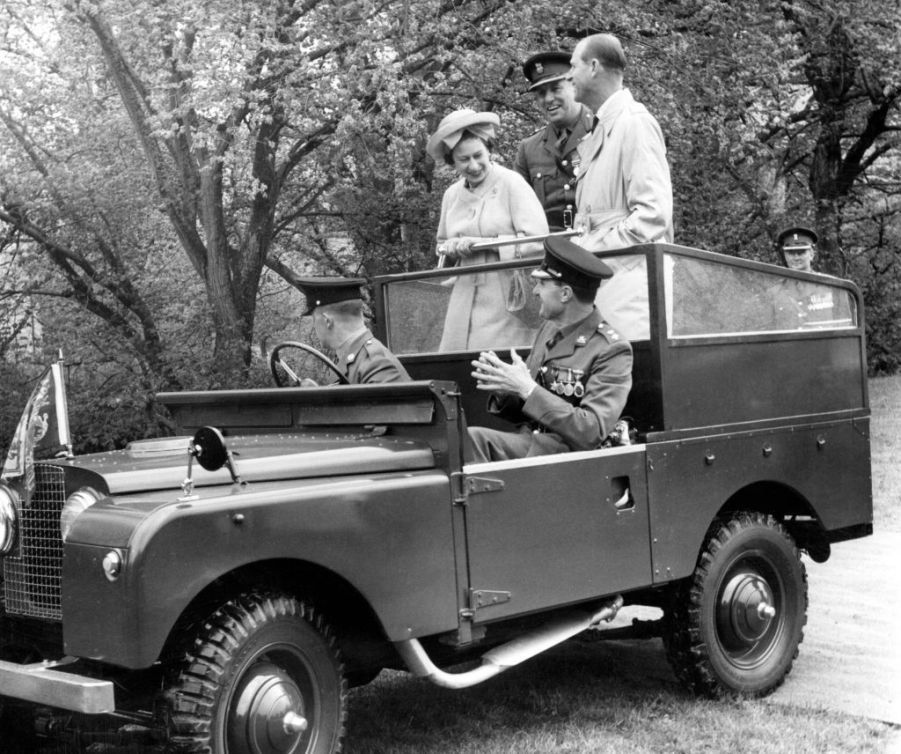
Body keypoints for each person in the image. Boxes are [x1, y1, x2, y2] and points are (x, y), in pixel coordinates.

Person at [466, 235, 633, 462]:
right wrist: (507, 388)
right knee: (465, 439)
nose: (534, 291)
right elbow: (529, 407)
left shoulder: (612, 350)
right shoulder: (549, 330)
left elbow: (591, 431)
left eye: (542, 284)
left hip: (568, 458)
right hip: (535, 445)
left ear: (565, 294)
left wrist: (527, 388)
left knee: (474, 439)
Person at [427, 108, 549, 351]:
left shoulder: (511, 183)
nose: (473, 165)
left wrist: (486, 244)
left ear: (488, 150)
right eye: (464, 159)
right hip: (463, 296)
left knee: (498, 361)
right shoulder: (451, 195)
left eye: (478, 155)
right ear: (453, 162)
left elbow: (539, 241)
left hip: (506, 296)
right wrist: (451, 247)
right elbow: (441, 245)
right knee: (458, 361)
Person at [568, 33, 673, 251]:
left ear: (594, 67)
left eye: (573, 66)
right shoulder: (602, 127)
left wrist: (593, 250)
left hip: (630, 277)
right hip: (610, 276)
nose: (568, 76)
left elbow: (652, 215)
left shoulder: (635, 123)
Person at [514, 51, 596, 231]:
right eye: (541, 93)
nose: (548, 99)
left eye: (556, 89)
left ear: (574, 86)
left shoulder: (602, 132)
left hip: (598, 246)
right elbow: (519, 212)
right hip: (549, 251)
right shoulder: (528, 149)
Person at [294, 277, 410, 384]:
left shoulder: (375, 365)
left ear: (327, 321)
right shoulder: (357, 358)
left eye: (314, 319)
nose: (314, 327)